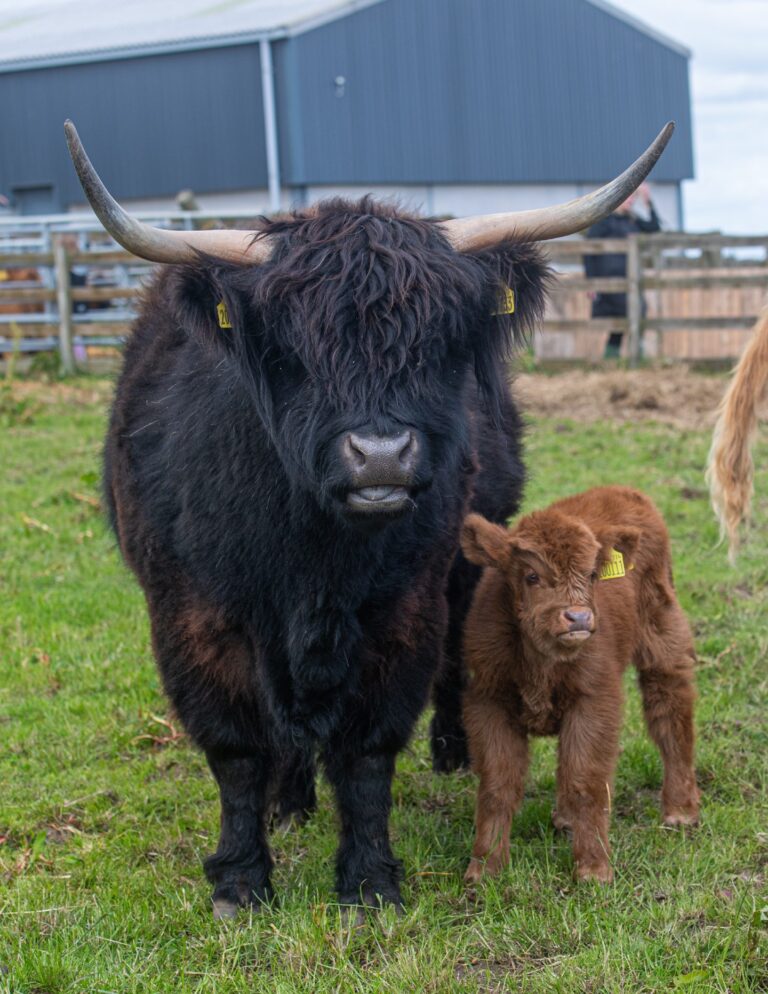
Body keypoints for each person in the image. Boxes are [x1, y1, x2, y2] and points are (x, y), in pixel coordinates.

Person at [584, 183, 661, 358]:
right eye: (627, 197)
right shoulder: (603, 222)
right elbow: (588, 251)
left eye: (633, 197)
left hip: (631, 281)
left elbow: (654, 227)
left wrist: (648, 201)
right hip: (610, 283)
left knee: (638, 314)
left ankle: (632, 358)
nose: (631, 201)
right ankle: (619, 359)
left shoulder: (631, 220)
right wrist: (591, 282)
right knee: (622, 320)